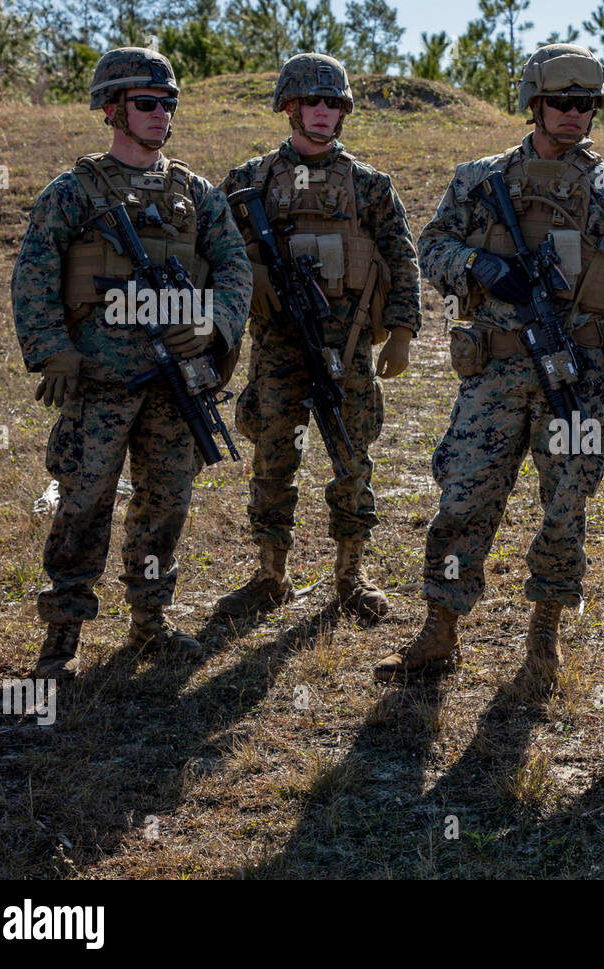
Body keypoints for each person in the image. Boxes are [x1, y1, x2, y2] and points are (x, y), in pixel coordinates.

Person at [372, 44, 604, 682]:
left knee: (566, 506)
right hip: (495, 373)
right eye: (561, 102)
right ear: (534, 102)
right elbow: (432, 246)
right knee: (463, 501)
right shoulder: (481, 181)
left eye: (586, 105)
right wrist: (480, 266)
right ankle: (439, 630)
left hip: (579, 378)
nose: (573, 115)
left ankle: (543, 639)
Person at [12, 47, 252, 678]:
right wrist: (51, 349)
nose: (160, 114)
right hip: (99, 377)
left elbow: (233, 268)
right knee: (82, 501)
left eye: (168, 103)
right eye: (147, 103)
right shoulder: (72, 193)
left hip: (176, 384)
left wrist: (213, 324)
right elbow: (34, 272)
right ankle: (62, 634)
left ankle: (150, 618)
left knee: (166, 501)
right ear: (114, 109)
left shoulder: (195, 193)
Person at [216, 53, 421, 623]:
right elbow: (215, 259)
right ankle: (269, 575)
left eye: (334, 103)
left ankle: (351, 576)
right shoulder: (248, 182)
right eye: (312, 101)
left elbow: (403, 259)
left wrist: (402, 331)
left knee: (352, 461)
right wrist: (235, 312)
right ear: (289, 107)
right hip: (278, 345)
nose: (324, 112)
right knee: (273, 459)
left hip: (349, 346)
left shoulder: (370, 185)